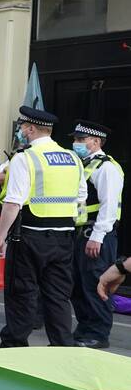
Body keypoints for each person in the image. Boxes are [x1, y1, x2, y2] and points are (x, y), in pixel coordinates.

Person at [0, 105, 85, 347]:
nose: (20, 131)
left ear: (31, 128)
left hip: (29, 237)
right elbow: (81, 196)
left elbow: (13, 203)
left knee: (21, 294)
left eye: (22, 127)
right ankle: (63, 347)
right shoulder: (73, 158)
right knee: (57, 296)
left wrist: (0, 237)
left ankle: (13, 347)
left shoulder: (26, 157)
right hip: (64, 238)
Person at [69, 120, 123, 348]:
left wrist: (97, 236)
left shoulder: (106, 167)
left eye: (81, 140)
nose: (76, 143)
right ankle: (84, 328)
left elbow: (109, 205)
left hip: (96, 233)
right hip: (79, 232)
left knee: (95, 283)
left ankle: (99, 333)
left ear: (96, 141)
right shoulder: (82, 164)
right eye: (75, 139)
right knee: (77, 285)